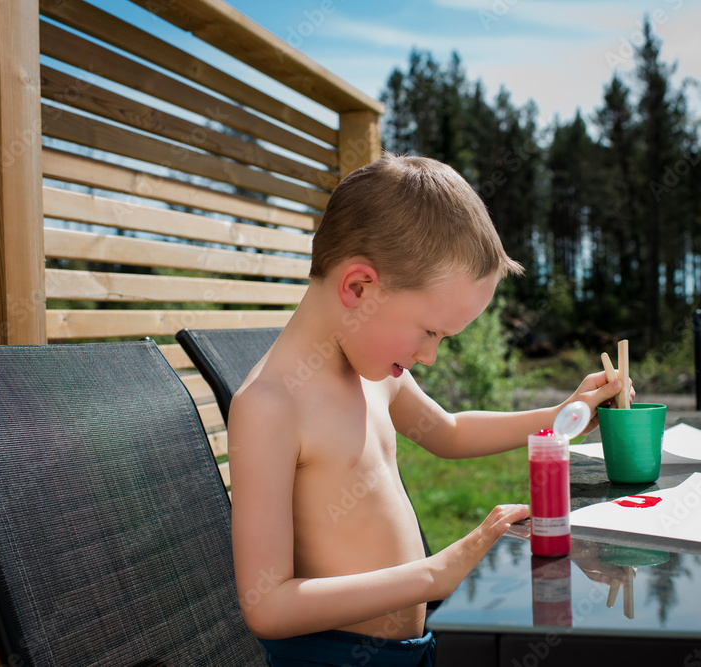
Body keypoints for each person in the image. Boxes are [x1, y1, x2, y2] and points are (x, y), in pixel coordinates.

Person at [228, 155, 632, 667]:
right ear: (359, 288)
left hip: (413, 651)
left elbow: (450, 432)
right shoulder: (270, 406)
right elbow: (267, 606)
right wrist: (436, 574)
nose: (429, 355)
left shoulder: (371, 372)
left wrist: (561, 412)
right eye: (430, 331)